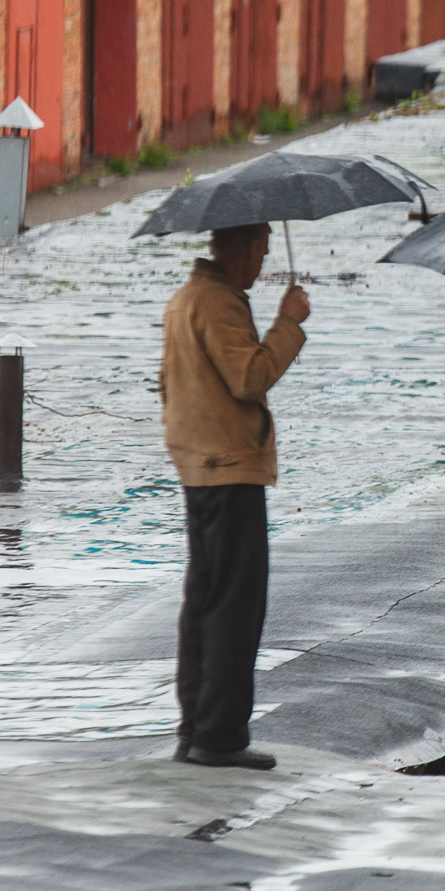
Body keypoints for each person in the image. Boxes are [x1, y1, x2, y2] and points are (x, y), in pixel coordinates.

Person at [158, 221, 310, 770]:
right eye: (262, 252)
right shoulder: (218, 302)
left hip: (199, 466)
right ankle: (218, 737)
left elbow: (168, 385)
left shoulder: (184, 299)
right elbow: (250, 377)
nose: (263, 263)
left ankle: (194, 726)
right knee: (234, 607)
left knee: (204, 599)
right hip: (228, 469)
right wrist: (287, 325)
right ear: (243, 247)